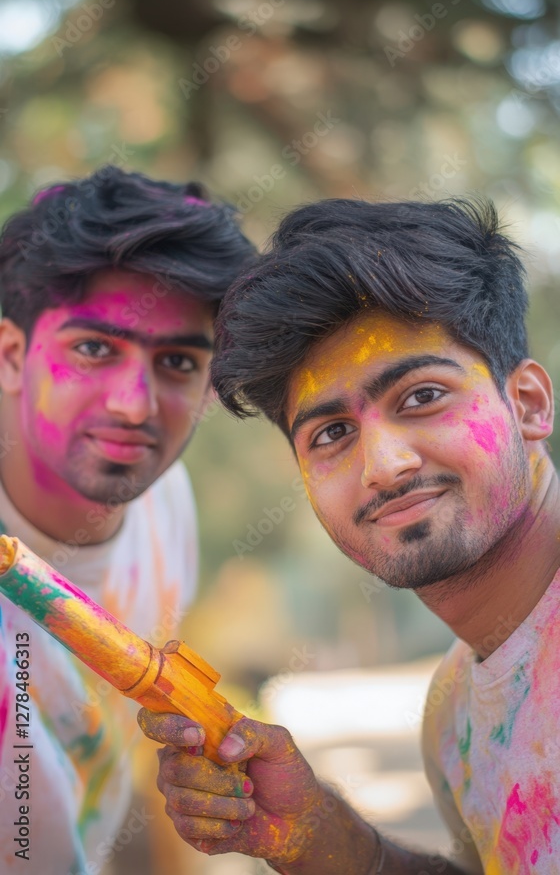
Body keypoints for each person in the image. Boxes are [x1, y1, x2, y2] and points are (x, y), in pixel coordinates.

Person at [140, 197, 560, 874]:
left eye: (422, 396)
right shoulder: (453, 718)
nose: (385, 465)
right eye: (332, 433)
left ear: (529, 403)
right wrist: (324, 840)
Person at [0, 167, 254, 875]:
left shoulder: (166, 501)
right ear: (12, 356)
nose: (135, 406)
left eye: (176, 362)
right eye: (93, 349)